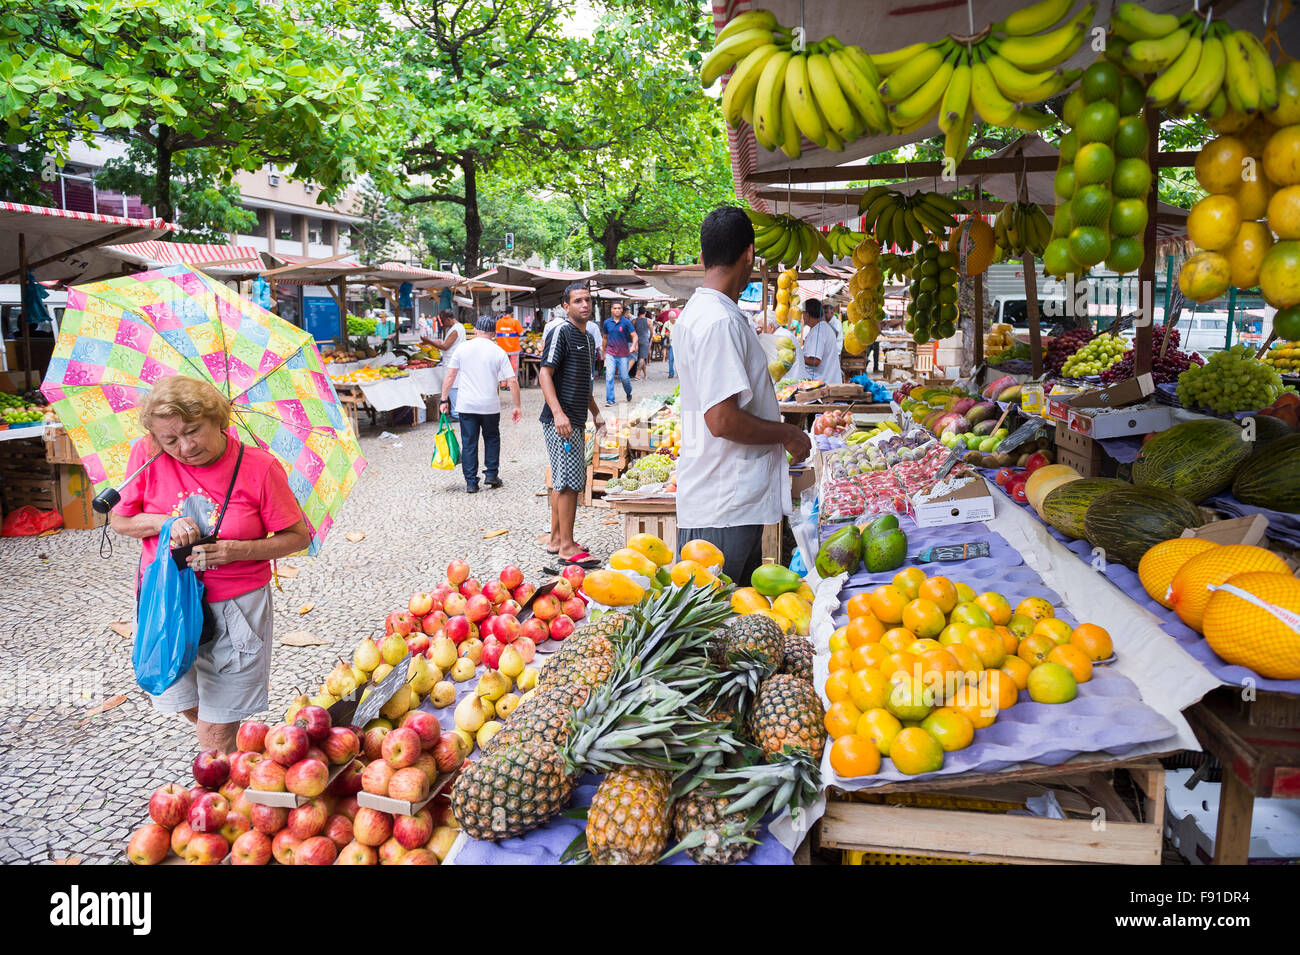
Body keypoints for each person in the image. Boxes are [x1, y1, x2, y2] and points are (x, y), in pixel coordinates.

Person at [110, 375, 310, 753]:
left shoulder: (259, 468)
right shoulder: (148, 454)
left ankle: (216, 795)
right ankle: (240, 765)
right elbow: (121, 521)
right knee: (184, 699)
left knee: (215, 734)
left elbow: (298, 536)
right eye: (170, 439)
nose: (185, 447)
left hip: (234, 606)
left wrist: (237, 550)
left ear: (220, 420)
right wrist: (164, 523)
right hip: (165, 599)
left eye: (193, 431)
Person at [675, 207, 811, 584]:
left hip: (726, 499)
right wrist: (787, 433)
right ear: (750, 254)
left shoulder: (702, 313)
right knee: (716, 627)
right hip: (723, 506)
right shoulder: (718, 320)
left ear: (702, 257)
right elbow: (722, 420)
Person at [539, 283, 605, 563]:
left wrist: (597, 413)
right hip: (561, 422)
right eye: (578, 300)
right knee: (569, 483)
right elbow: (544, 373)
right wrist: (558, 413)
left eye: (588, 300)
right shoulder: (560, 332)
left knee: (563, 481)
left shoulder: (589, 339)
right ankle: (567, 547)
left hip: (576, 419)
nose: (584, 305)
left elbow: (583, 384)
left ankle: (557, 539)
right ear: (566, 306)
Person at [440, 315, 523, 493]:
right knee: (492, 439)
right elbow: (512, 381)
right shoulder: (498, 351)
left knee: (469, 442)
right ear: (494, 333)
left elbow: (450, 376)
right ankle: (491, 475)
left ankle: (471, 483)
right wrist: (517, 406)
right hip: (489, 405)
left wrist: (443, 399)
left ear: (476, 331)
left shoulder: (462, 348)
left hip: (466, 405)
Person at [423, 309, 467, 420]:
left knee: (453, 386)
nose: (442, 323)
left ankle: (456, 414)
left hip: (453, 361)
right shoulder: (457, 328)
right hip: (453, 360)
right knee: (454, 386)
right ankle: (456, 412)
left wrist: (428, 341)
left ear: (448, 319)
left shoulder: (455, 329)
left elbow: (445, 347)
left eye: (443, 320)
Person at [601, 299, 636, 406]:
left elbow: (634, 335)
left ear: (622, 310)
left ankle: (628, 392)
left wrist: (634, 345)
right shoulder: (607, 322)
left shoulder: (626, 322)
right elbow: (605, 338)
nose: (617, 310)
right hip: (610, 353)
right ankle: (610, 400)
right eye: (615, 308)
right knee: (609, 376)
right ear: (611, 310)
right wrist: (603, 352)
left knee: (625, 378)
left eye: (619, 308)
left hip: (623, 355)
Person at [801, 298, 842, 384]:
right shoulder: (823, 327)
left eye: (803, 313)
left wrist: (797, 356)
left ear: (807, 315)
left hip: (823, 385)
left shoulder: (818, 331)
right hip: (828, 381)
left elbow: (815, 361)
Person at [495, 310, 523, 377]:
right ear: (512, 313)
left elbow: (496, 333)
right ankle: (511, 384)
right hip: (514, 348)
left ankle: (503, 384)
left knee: (503, 366)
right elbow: (521, 333)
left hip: (502, 348)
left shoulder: (499, 322)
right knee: (513, 366)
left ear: (504, 313)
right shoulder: (515, 322)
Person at [632, 305, 651, 380]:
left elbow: (632, 332)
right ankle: (637, 374)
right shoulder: (648, 321)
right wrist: (649, 340)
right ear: (645, 312)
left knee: (640, 358)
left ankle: (645, 374)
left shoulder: (634, 321)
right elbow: (652, 332)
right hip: (644, 340)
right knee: (642, 358)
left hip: (636, 341)